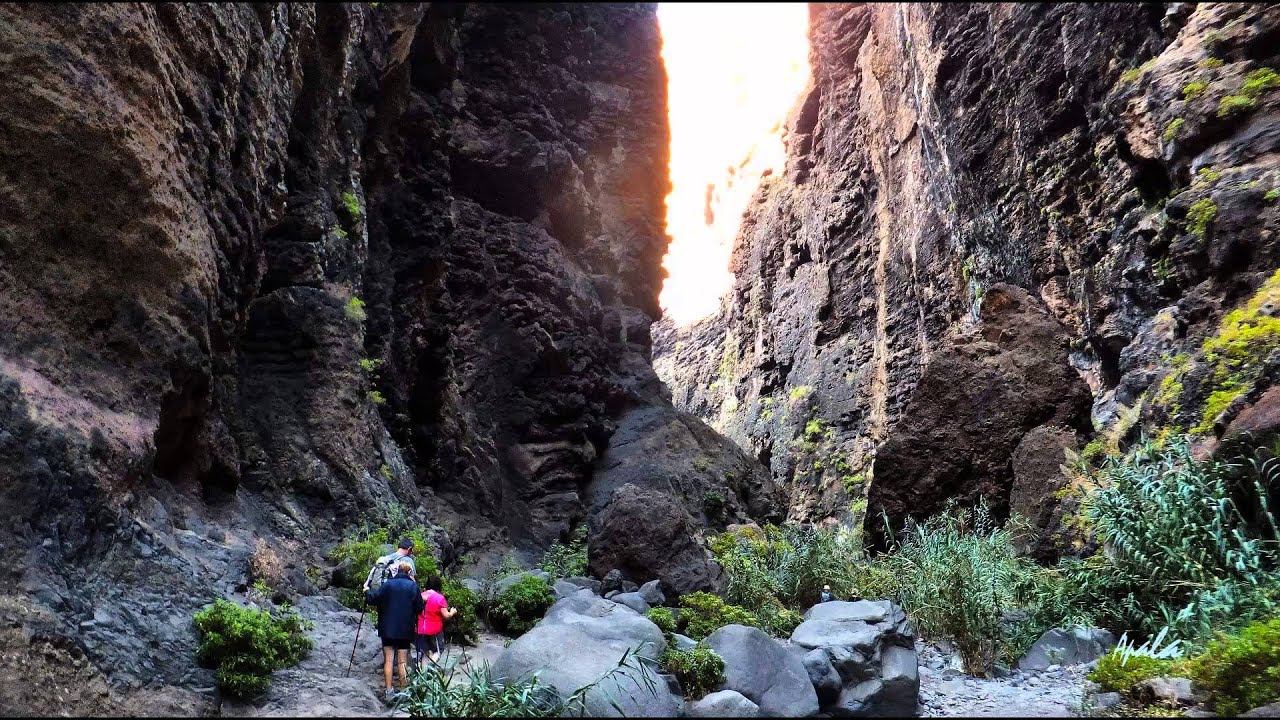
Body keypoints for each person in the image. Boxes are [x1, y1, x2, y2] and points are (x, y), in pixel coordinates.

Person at [365, 562, 425, 701]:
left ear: (397, 571)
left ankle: (389, 691)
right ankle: (404, 692)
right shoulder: (413, 587)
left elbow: (373, 599)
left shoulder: (387, 584)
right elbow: (420, 608)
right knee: (402, 661)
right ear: (409, 573)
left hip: (387, 629)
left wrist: (366, 590)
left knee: (389, 660)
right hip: (405, 629)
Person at [416, 575, 458, 667]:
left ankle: (423, 672)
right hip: (434, 630)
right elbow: (446, 615)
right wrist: (452, 612)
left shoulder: (420, 596)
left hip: (420, 629)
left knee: (424, 652)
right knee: (438, 650)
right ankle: (431, 667)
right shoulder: (439, 598)